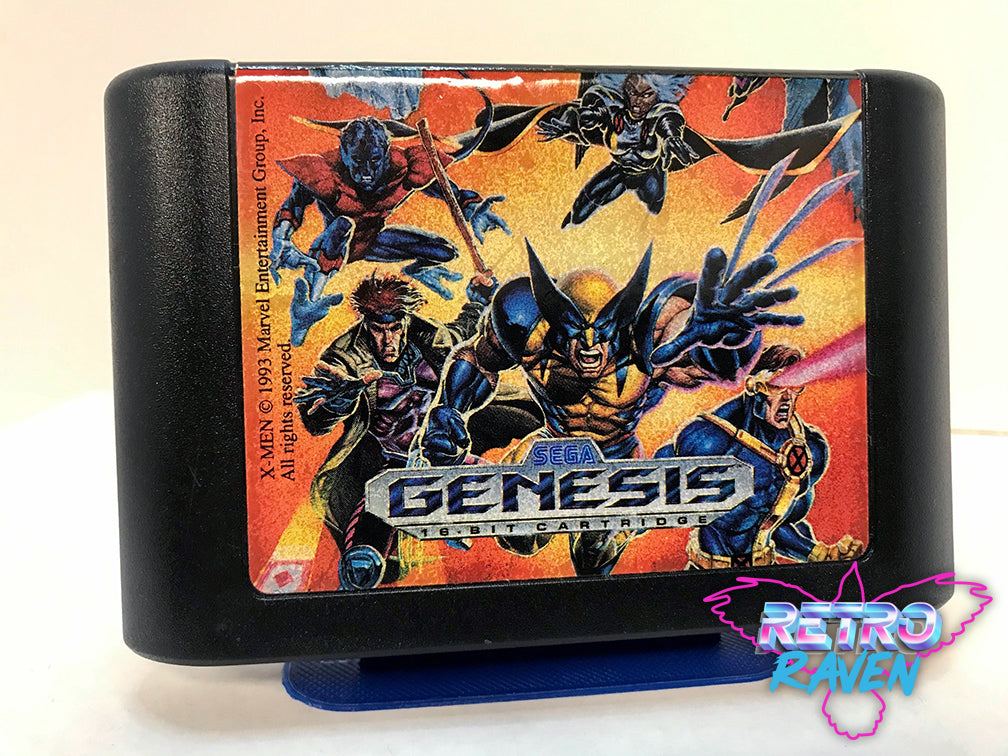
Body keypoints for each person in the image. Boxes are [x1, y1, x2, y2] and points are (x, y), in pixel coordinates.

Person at [295, 271, 540, 589]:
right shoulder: (344, 357)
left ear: (405, 320)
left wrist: (478, 299)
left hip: (439, 448)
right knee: (372, 535)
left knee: (528, 427)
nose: (388, 341)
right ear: (366, 323)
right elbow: (315, 420)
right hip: (387, 460)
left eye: (395, 328)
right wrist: (338, 405)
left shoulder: (428, 336)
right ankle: (363, 565)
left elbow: (462, 332)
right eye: (378, 330)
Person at [271, 116, 510, 344]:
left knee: (445, 252)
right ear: (343, 155)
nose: (366, 172)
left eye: (374, 161)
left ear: (385, 154)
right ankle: (307, 307)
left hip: (375, 242)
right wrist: (282, 240)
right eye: (358, 162)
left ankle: (418, 269)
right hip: (335, 246)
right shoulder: (323, 171)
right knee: (343, 226)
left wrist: (474, 209)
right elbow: (292, 207)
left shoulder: (405, 169)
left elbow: (451, 193)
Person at [656, 344, 864, 567]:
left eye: (795, 387)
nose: (787, 398)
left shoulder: (809, 450)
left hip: (764, 570)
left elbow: (777, 523)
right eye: (778, 386)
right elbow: (646, 496)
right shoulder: (708, 439)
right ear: (754, 385)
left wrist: (820, 554)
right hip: (707, 573)